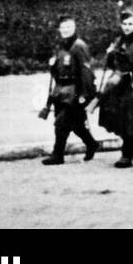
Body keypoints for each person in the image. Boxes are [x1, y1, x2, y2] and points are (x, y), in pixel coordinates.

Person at [41, 15, 100, 166]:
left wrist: (83, 95)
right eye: (63, 27)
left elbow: (85, 71)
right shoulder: (61, 46)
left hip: (74, 90)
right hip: (61, 90)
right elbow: (58, 69)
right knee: (76, 124)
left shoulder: (79, 46)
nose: (65, 30)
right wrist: (53, 65)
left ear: (74, 28)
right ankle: (92, 144)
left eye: (68, 27)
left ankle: (57, 155)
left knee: (61, 123)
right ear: (59, 29)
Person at [98, 9, 133, 168]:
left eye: (130, 24)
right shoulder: (118, 41)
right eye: (124, 23)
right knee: (115, 116)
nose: (127, 27)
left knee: (130, 119)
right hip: (117, 85)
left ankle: (127, 154)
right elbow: (111, 64)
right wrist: (109, 54)